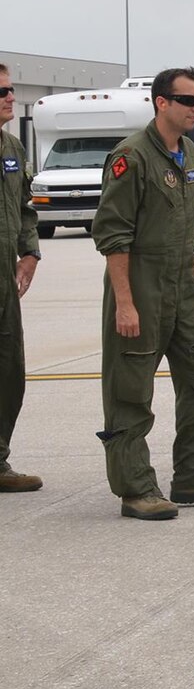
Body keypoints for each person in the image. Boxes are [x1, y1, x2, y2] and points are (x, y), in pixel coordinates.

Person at [92, 68, 194, 519]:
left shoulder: (192, 153)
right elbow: (113, 234)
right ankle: (136, 488)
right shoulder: (131, 156)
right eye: (186, 100)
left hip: (183, 282)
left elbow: (184, 212)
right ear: (161, 102)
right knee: (130, 391)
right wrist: (124, 301)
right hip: (139, 283)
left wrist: (190, 253)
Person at [0, 63, 43, 493]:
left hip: (5, 283)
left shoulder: (12, 146)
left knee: (9, 372)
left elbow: (25, 206)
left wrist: (29, 251)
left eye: (10, 90)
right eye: (3, 92)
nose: (11, 97)